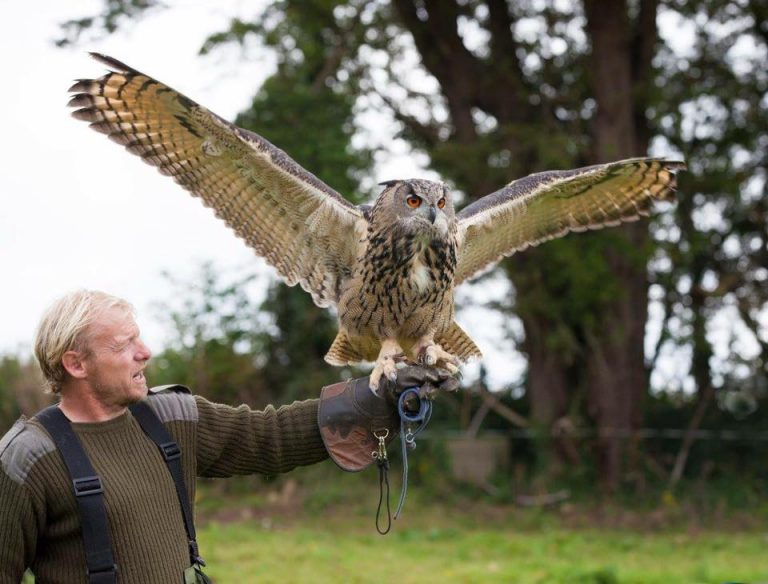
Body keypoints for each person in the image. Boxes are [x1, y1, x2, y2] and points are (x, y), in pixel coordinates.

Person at [0, 290, 457, 583]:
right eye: (124, 346)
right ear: (76, 364)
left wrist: (377, 395)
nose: (146, 352)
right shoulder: (29, 458)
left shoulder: (171, 416)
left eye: (139, 338)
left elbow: (269, 435)